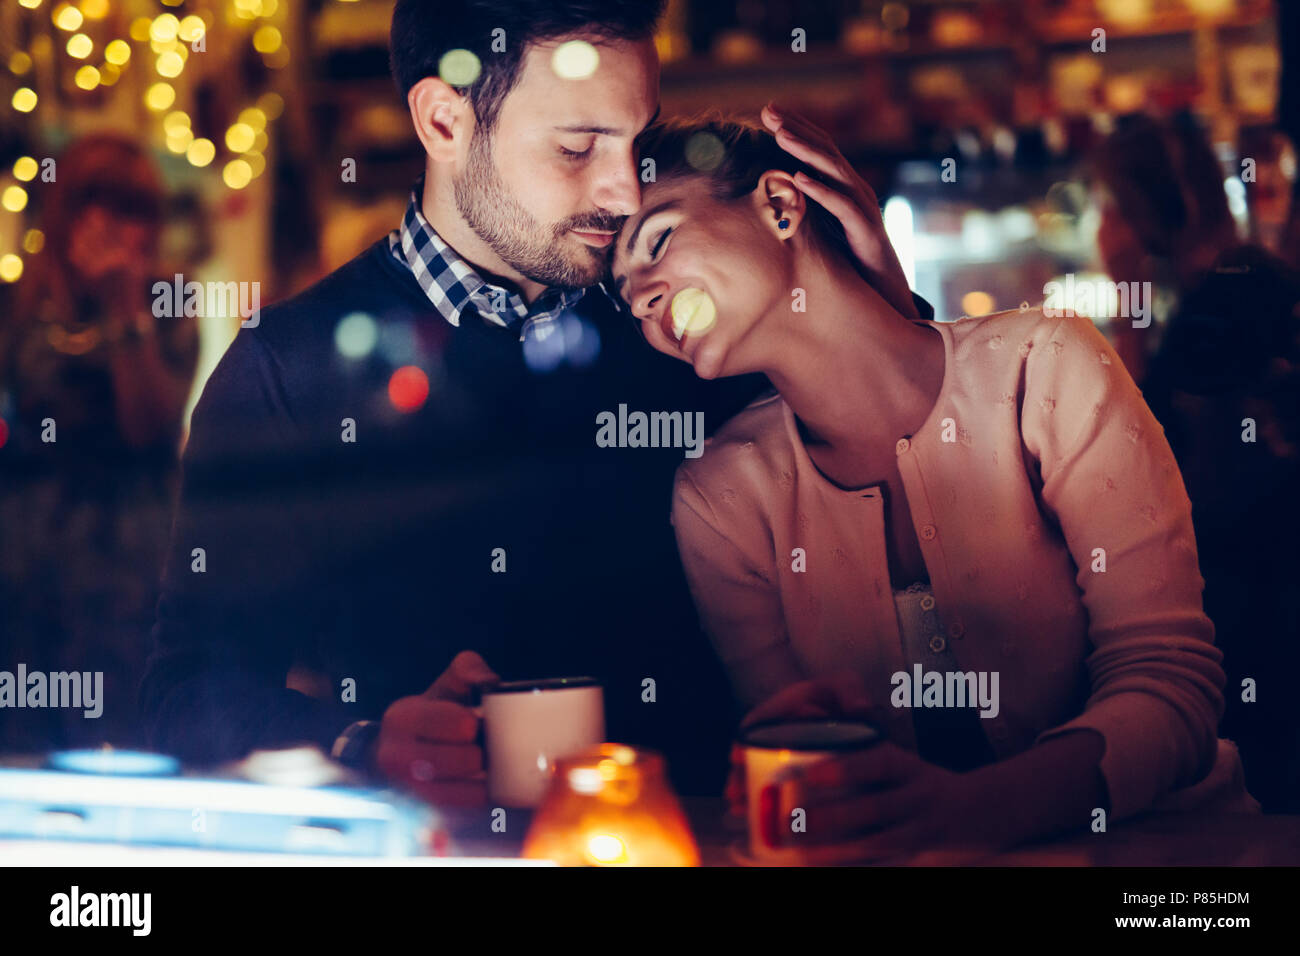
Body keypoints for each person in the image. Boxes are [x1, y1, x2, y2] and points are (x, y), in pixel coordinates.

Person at [140, 0, 922, 802]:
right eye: (578, 146)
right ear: (445, 122)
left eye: (637, 142)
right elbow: (182, 697)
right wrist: (362, 744)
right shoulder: (287, 372)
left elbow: (902, 472)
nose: (622, 194)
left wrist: (877, 299)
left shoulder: (677, 312)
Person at [609, 116, 1258, 864]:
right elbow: (799, 760)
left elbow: (1172, 684)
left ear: (781, 206)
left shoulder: (1044, 366)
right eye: (622, 290)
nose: (641, 299)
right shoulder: (718, 500)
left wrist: (966, 814)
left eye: (655, 243)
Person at [0, 134, 198, 752]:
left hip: (129, 559)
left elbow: (150, 426)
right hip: (23, 557)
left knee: (119, 736)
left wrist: (124, 306)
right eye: (96, 204)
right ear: (66, 213)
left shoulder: (170, 300)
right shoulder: (18, 303)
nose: (112, 226)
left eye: (133, 210)